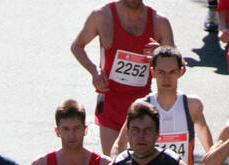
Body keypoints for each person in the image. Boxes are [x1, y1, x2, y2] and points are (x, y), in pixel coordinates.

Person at [70, 1, 175, 155]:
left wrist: (160, 53)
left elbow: (178, 68)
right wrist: (94, 71)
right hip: (110, 104)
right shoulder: (102, 16)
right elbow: (77, 46)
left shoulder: (160, 23)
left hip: (144, 108)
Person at [111, 44, 215, 165]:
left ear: (180, 72)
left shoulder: (192, 105)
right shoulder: (142, 106)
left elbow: (203, 135)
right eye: (161, 72)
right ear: (153, 72)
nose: (166, 78)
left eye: (172, 72)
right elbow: (120, 144)